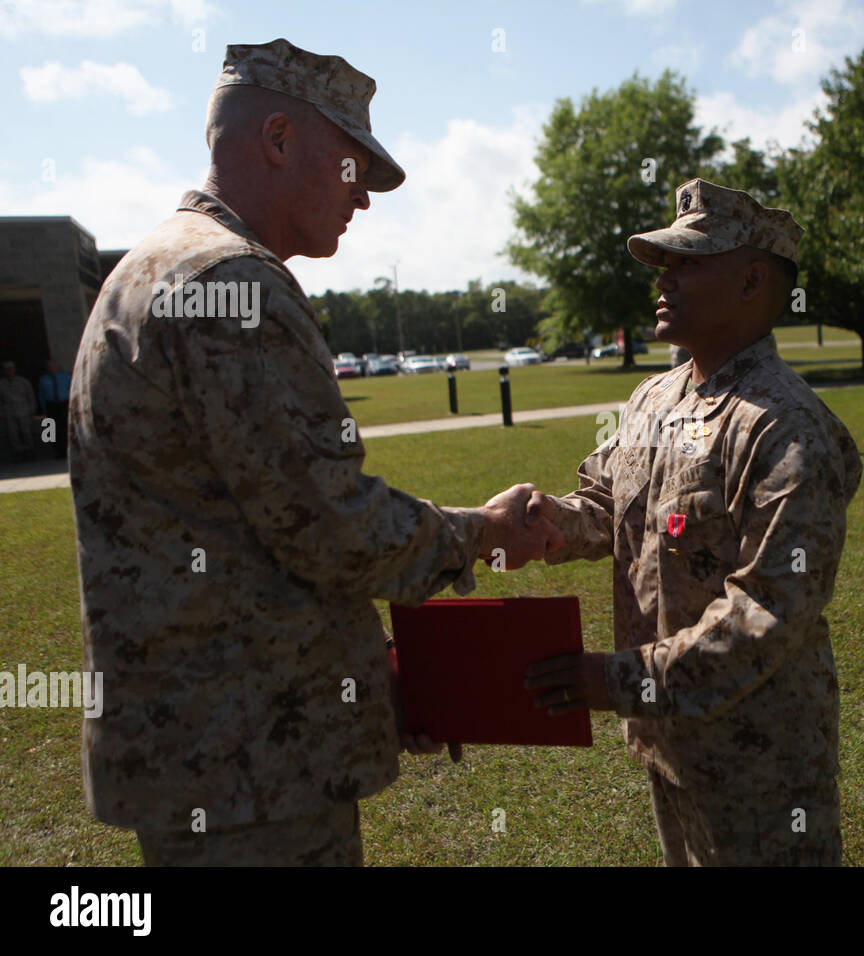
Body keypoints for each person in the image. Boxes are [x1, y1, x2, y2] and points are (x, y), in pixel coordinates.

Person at [68, 38, 561, 867]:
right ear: (278, 139)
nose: (362, 199)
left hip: (213, 752)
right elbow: (328, 524)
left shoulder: (152, 266)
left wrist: (358, 673)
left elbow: (248, 536)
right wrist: (481, 533)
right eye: (351, 166)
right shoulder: (232, 284)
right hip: (250, 770)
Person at [523, 179, 861, 866]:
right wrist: (542, 520)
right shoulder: (656, 396)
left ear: (752, 281)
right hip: (671, 740)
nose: (665, 280)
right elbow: (607, 504)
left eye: (689, 263)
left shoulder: (785, 429)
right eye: (665, 264)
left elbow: (764, 616)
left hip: (760, 764)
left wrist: (614, 680)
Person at [0, 360, 39, 462]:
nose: (9, 371)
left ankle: (30, 451)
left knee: (27, 432)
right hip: (9, 412)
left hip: (24, 410)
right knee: (13, 434)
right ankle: (18, 452)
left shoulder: (23, 382)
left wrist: (32, 409)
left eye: (11, 369)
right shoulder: (2, 384)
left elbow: (30, 396)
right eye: (7, 369)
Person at [38, 359, 73, 457]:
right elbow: (42, 395)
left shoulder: (66, 377)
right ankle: (57, 452)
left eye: (53, 366)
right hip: (51, 405)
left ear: (57, 367)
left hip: (64, 404)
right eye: (49, 367)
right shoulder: (43, 380)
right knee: (51, 429)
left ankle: (69, 451)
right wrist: (44, 409)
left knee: (66, 428)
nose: (51, 368)